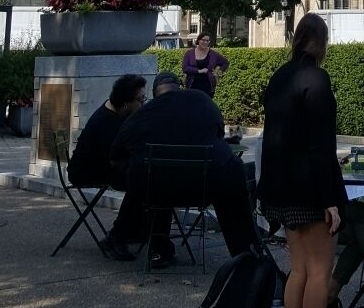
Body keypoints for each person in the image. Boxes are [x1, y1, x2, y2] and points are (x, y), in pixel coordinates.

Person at [258, 12, 349, 308]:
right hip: (310, 188)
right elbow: (319, 144)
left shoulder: (280, 77)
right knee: (318, 273)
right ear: (320, 42)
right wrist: (330, 197)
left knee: (298, 271)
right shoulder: (317, 79)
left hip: (280, 187)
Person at [101, 70, 257, 265]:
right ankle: (246, 253)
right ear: (180, 88)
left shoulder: (141, 115)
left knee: (152, 173)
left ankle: (157, 249)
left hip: (156, 191)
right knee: (230, 170)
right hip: (206, 190)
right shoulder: (202, 100)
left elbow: (116, 158)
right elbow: (217, 133)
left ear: (155, 94)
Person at [67, 74, 147, 190]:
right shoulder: (106, 123)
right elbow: (116, 160)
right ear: (125, 103)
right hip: (86, 173)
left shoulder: (114, 111)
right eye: (141, 100)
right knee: (142, 180)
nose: (143, 104)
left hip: (98, 167)